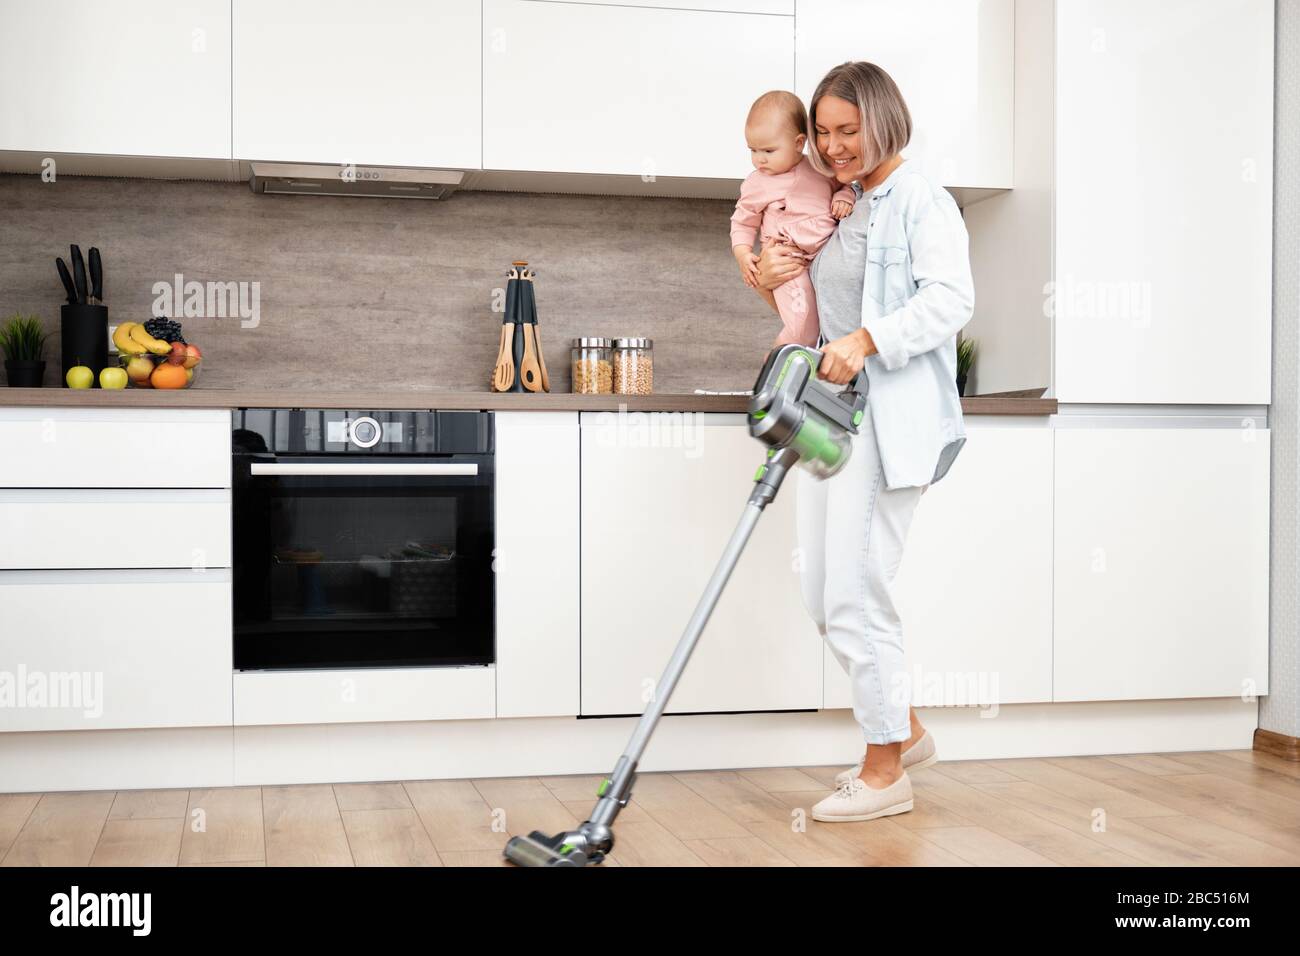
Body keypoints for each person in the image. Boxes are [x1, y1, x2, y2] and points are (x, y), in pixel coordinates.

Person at [752, 61, 974, 822]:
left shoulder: (921, 201)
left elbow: (950, 298)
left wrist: (871, 339)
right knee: (820, 591)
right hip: (835, 418)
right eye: (822, 130)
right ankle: (904, 729)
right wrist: (771, 283)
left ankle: (885, 771)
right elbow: (823, 314)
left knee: (855, 591)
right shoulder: (847, 206)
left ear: (884, 120)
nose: (834, 144)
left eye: (848, 128)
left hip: (891, 421)